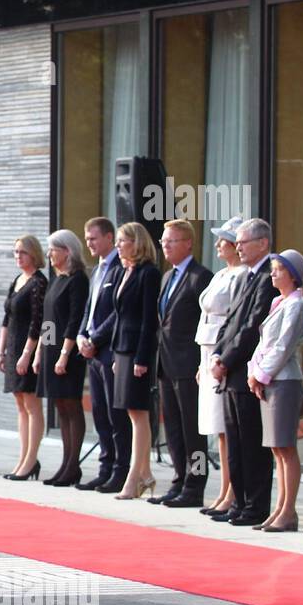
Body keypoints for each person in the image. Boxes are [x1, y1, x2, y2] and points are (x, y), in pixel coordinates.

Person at [210, 218, 278, 527]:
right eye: (236, 241)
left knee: (251, 442)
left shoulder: (267, 277)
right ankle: (239, 500)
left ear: (262, 243)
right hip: (229, 372)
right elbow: (229, 322)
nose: (238, 246)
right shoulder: (246, 276)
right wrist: (216, 355)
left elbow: (252, 328)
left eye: (243, 241)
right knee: (235, 442)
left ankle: (255, 504)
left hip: (245, 372)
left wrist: (227, 359)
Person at [247, 249, 303, 532]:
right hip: (270, 379)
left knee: (286, 446)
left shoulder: (296, 305)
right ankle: (280, 507)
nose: (273, 273)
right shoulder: (278, 302)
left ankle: (288, 511)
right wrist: (254, 373)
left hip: (284, 380)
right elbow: (264, 344)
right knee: (276, 447)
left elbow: (283, 346)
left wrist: (261, 374)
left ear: (292, 275)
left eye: (278, 270)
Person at [152, 220, 213, 508]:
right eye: (164, 241)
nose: (165, 245)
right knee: (173, 428)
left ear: (188, 243)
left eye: (172, 241)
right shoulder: (167, 277)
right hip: (166, 364)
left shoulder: (200, 277)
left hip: (189, 366)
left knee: (193, 431)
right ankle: (178, 479)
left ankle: (195, 484)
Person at [194, 217, 246, 516]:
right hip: (208, 349)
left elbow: (232, 321)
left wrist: (219, 358)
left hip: (220, 351)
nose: (218, 245)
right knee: (217, 427)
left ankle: (231, 490)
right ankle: (224, 488)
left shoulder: (240, 275)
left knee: (226, 425)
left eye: (223, 240)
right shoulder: (220, 274)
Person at [76, 217, 130, 493]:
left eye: (94, 237)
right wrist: (81, 335)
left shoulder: (121, 267)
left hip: (109, 351)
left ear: (109, 238)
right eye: (86, 238)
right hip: (93, 353)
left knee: (115, 414)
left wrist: (95, 339)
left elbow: (116, 314)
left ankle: (121, 470)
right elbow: (90, 309)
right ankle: (105, 467)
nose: (89, 243)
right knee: (98, 412)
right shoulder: (96, 271)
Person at [109, 222, 162, 500]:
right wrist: (118, 352)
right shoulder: (124, 271)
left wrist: (142, 356)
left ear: (137, 243)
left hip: (137, 351)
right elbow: (119, 315)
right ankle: (145, 474)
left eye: (122, 241)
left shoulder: (148, 273)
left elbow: (147, 320)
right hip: (122, 349)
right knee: (129, 412)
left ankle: (133, 478)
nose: (118, 246)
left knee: (138, 413)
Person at [37, 229, 89, 487]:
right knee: (60, 407)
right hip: (51, 350)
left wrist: (65, 354)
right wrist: (40, 354)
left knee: (71, 406)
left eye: (53, 249)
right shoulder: (56, 278)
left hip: (67, 353)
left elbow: (74, 319)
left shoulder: (77, 279)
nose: (49, 254)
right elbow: (47, 321)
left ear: (67, 251)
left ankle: (72, 465)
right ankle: (66, 464)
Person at [0, 235, 47, 480]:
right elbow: (7, 318)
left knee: (31, 404)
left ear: (34, 254)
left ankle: (30, 459)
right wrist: (1, 351)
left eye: (23, 252)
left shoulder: (38, 282)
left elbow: (38, 323)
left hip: (27, 348)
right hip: (14, 348)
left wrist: (28, 354)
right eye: (16, 252)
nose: (18, 256)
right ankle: (23, 457)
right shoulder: (18, 280)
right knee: (20, 405)